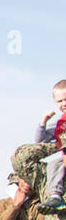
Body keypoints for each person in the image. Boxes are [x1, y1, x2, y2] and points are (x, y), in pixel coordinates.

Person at [33, 79, 66, 212]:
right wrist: (43, 122)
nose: (64, 103)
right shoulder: (61, 123)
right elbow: (40, 141)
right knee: (54, 164)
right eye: (60, 101)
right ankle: (56, 196)